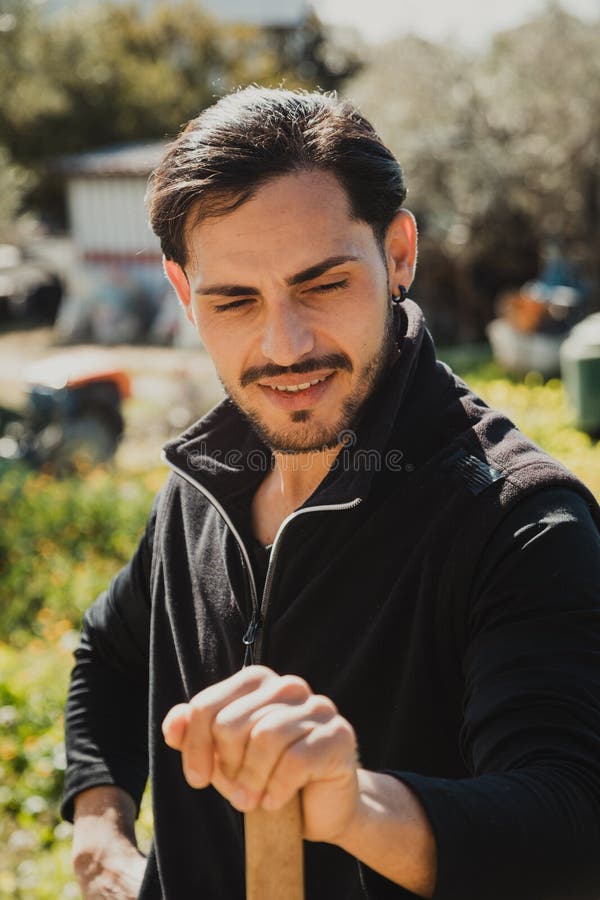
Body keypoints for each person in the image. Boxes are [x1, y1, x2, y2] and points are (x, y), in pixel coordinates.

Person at [62, 87, 600, 900]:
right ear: (182, 294)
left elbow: (567, 824)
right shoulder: (203, 482)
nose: (286, 345)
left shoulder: (520, 523)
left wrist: (353, 804)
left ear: (400, 254)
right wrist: (100, 839)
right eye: (234, 300)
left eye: (322, 283)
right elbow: (107, 651)